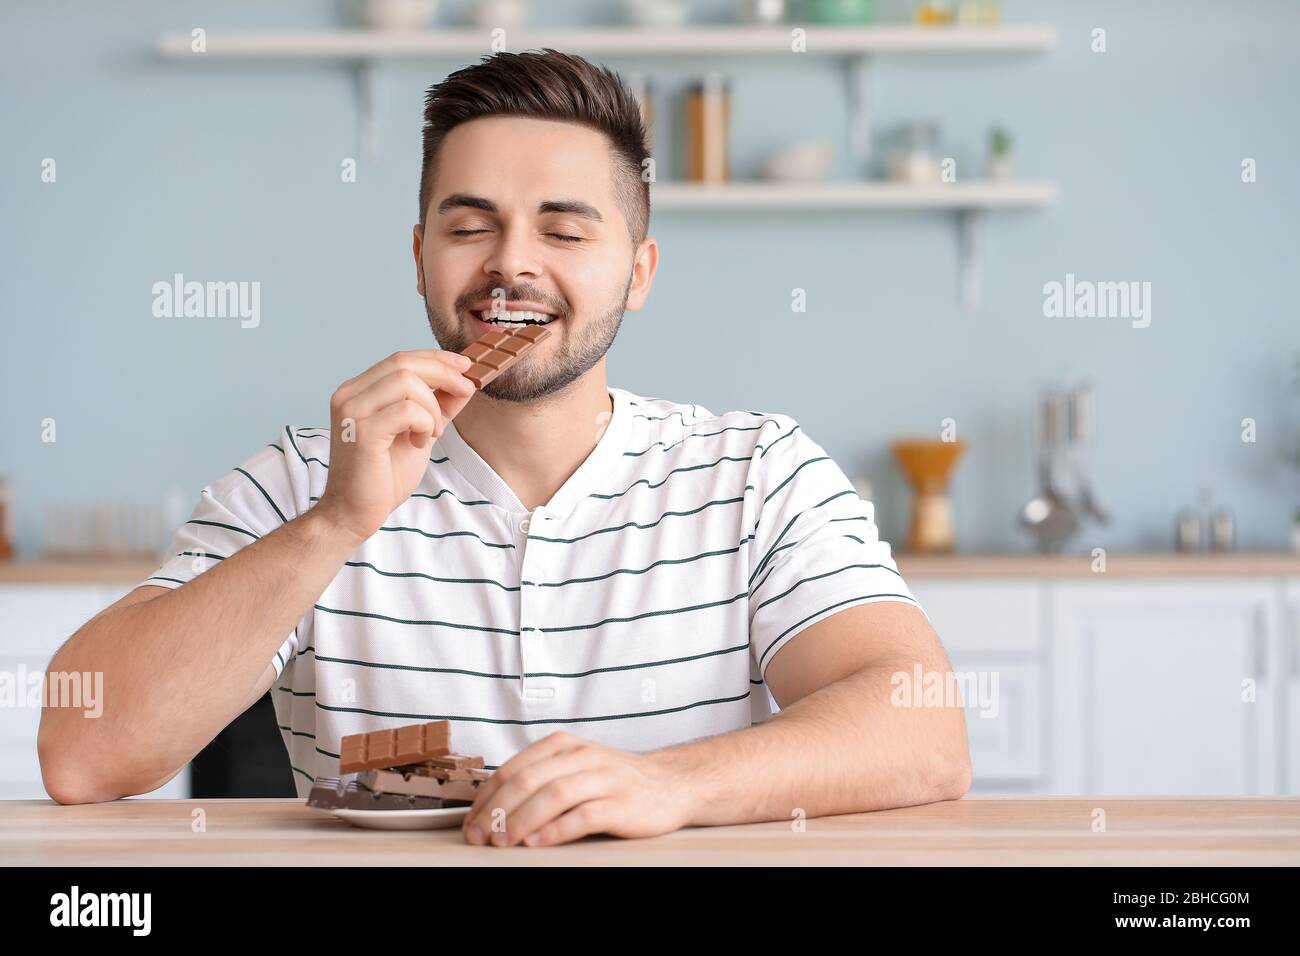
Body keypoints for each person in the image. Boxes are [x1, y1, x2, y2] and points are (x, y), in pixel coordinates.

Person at [39, 49, 970, 847]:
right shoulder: (304, 479)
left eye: (563, 230)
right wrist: (338, 522)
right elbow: (82, 753)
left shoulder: (758, 474)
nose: (510, 265)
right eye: (468, 226)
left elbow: (924, 731)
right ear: (419, 256)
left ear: (637, 273)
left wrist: (669, 786)